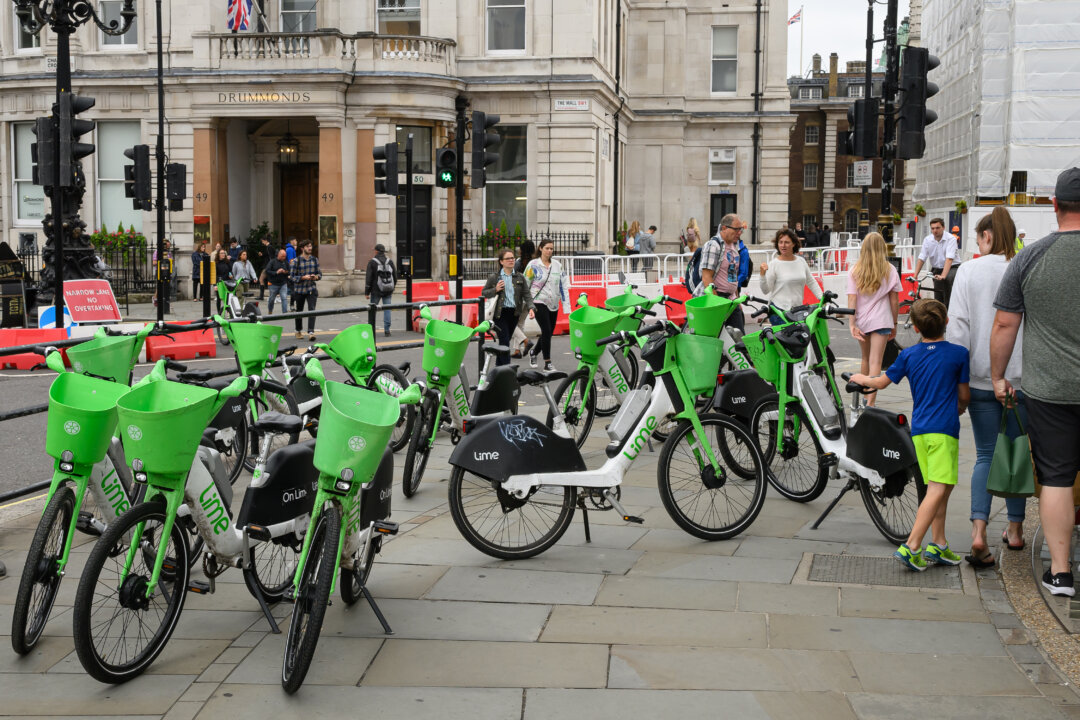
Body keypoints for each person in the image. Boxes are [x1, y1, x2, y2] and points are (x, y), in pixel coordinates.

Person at [991, 167, 1080, 597]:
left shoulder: (1029, 257)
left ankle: (1061, 573)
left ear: (1055, 206)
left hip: (1050, 390)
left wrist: (997, 376)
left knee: (1058, 478)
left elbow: (1005, 325)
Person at [852, 299, 970, 572]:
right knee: (939, 488)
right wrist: (961, 406)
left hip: (919, 432)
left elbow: (880, 382)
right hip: (944, 432)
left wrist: (861, 378)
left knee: (940, 488)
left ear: (916, 328)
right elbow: (964, 395)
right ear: (947, 322)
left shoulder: (908, 355)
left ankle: (938, 543)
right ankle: (912, 545)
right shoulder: (958, 354)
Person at [946, 206, 1026, 569]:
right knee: (1015, 452)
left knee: (984, 456)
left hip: (978, 377)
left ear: (987, 236)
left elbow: (958, 327)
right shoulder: (1024, 267)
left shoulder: (970, 271)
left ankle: (979, 532)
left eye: (978, 238)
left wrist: (958, 381)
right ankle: (1014, 529)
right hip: (1021, 379)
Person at [847, 232, 901, 406]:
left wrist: (852, 323)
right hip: (882, 320)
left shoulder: (855, 270)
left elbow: (852, 299)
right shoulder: (890, 270)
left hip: (863, 321)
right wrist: (894, 323)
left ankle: (863, 395)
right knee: (876, 361)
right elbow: (894, 300)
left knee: (865, 358)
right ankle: (870, 403)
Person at [481, 247, 534, 367]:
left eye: (512, 258)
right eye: (508, 258)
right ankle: (507, 371)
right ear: (501, 261)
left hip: (514, 314)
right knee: (504, 342)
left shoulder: (519, 277)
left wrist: (531, 308)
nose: (511, 260)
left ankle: (498, 369)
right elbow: (484, 293)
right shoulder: (495, 278)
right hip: (500, 314)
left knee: (505, 343)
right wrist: (496, 289)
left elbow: (527, 294)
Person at [524, 239, 569, 371]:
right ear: (540, 248)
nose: (549, 251)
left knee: (548, 333)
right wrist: (527, 304)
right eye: (547, 248)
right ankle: (547, 362)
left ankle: (534, 352)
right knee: (546, 329)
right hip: (538, 300)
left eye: (551, 248)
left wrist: (566, 306)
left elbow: (563, 285)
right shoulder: (533, 265)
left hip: (554, 302)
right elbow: (526, 285)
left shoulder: (557, 265)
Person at [759, 228, 822, 319]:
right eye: (780, 242)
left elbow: (811, 282)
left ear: (794, 244)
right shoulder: (774, 264)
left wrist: (822, 298)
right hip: (779, 312)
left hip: (798, 311)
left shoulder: (801, 261)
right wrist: (762, 275)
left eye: (787, 242)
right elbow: (765, 290)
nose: (783, 245)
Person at [698, 214, 746, 331]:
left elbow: (732, 275)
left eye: (741, 230)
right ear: (724, 228)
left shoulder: (734, 245)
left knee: (739, 339)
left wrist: (736, 298)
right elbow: (706, 277)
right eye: (736, 229)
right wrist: (716, 304)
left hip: (731, 300)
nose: (739, 232)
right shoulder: (714, 245)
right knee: (717, 341)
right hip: (717, 298)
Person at [913, 218, 960, 309]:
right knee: (938, 294)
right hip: (937, 268)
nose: (935, 230)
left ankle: (951, 310)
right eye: (933, 228)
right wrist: (915, 275)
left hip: (952, 267)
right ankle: (939, 313)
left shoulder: (951, 239)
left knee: (948, 281)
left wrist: (943, 275)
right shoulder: (928, 240)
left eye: (937, 228)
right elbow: (922, 257)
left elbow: (949, 259)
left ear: (943, 228)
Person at [289, 239, 322, 341]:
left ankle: (311, 332)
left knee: (312, 310)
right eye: (308, 246)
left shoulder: (314, 260)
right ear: (302, 248)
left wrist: (315, 277)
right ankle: (298, 331)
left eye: (311, 246)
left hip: (311, 289)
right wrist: (303, 278)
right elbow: (292, 277)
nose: (310, 248)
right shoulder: (296, 261)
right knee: (299, 311)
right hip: (299, 290)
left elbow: (319, 274)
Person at [365, 243, 396, 336]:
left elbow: (369, 278)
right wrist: (391, 287)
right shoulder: (390, 261)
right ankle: (387, 330)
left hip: (376, 290)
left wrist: (367, 292)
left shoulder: (372, 262)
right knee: (387, 309)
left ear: (376, 251)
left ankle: (371, 329)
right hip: (388, 290)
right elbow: (395, 276)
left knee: (372, 310)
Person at [264, 248, 290, 315]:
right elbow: (267, 271)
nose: (284, 258)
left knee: (284, 298)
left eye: (285, 256)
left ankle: (285, 313)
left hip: (283, 283)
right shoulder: (272, 262)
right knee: (271, 299)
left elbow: (289, 271)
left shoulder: (285, 262)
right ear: (278, 255)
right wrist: (276, 272)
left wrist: (285, 272)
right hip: (273, 284)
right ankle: (270, 311)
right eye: (282, 256)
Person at [214, 248, 233, 314]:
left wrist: (231, 275)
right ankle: (219, 313)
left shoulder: (227, 262)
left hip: (227, 282)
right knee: (219, 298)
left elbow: (230, 270)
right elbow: (214, 274)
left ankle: (228, 312)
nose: (223, 254)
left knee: (227, 298)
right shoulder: (216, 263)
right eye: (221, 253)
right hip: (219, 282)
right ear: (218, 255)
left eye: (224, 253)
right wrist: (215, 285)